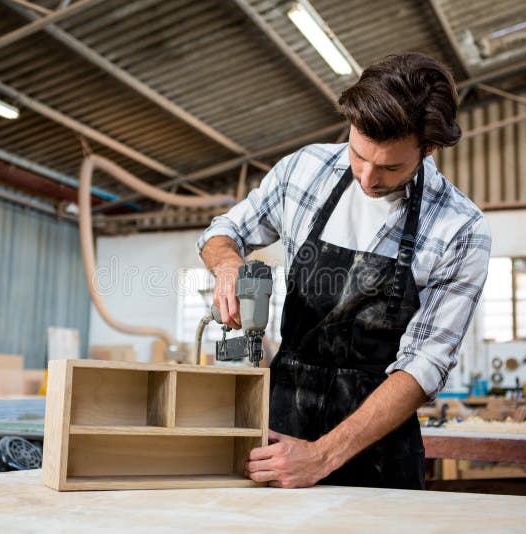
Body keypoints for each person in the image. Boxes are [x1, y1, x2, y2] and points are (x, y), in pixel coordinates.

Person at [197, 52, 491, 489]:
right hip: (281, 426)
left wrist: (321, 457)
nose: (368, 178)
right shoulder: (305, 170)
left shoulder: (460, 229)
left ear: (428, 149)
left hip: (378, 450)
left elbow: (424, 366)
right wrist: (227, 265)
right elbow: (224, 231)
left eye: (391, 167)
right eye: (358, 154)